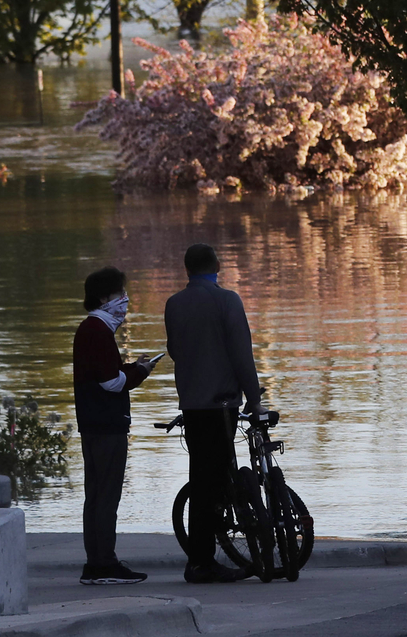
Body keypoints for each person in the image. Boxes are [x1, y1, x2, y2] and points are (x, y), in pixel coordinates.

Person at [164, 244, 264, 584]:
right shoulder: (227, 300)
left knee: (201, 479)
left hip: (192, 404)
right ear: (217, 265)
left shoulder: (174, 304)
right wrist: (254, 399)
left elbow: (175, 350)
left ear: (187, 269)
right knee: (214, 481)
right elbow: (242, 354)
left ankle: (201, 558)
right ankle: (201, 563)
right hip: (221, 404)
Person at [73, 266, 155, 585]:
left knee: (95, 496)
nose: (124, 299)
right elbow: (111, 382)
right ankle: (104, 563)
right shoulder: (98, 330)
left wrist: (133, 367)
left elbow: (104, 373)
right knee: (107, 496)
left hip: (92, 424)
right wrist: (141, 372)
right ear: (103, 297)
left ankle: (95, 562)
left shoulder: (90, 329)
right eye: (119, 293)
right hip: (107, 426)